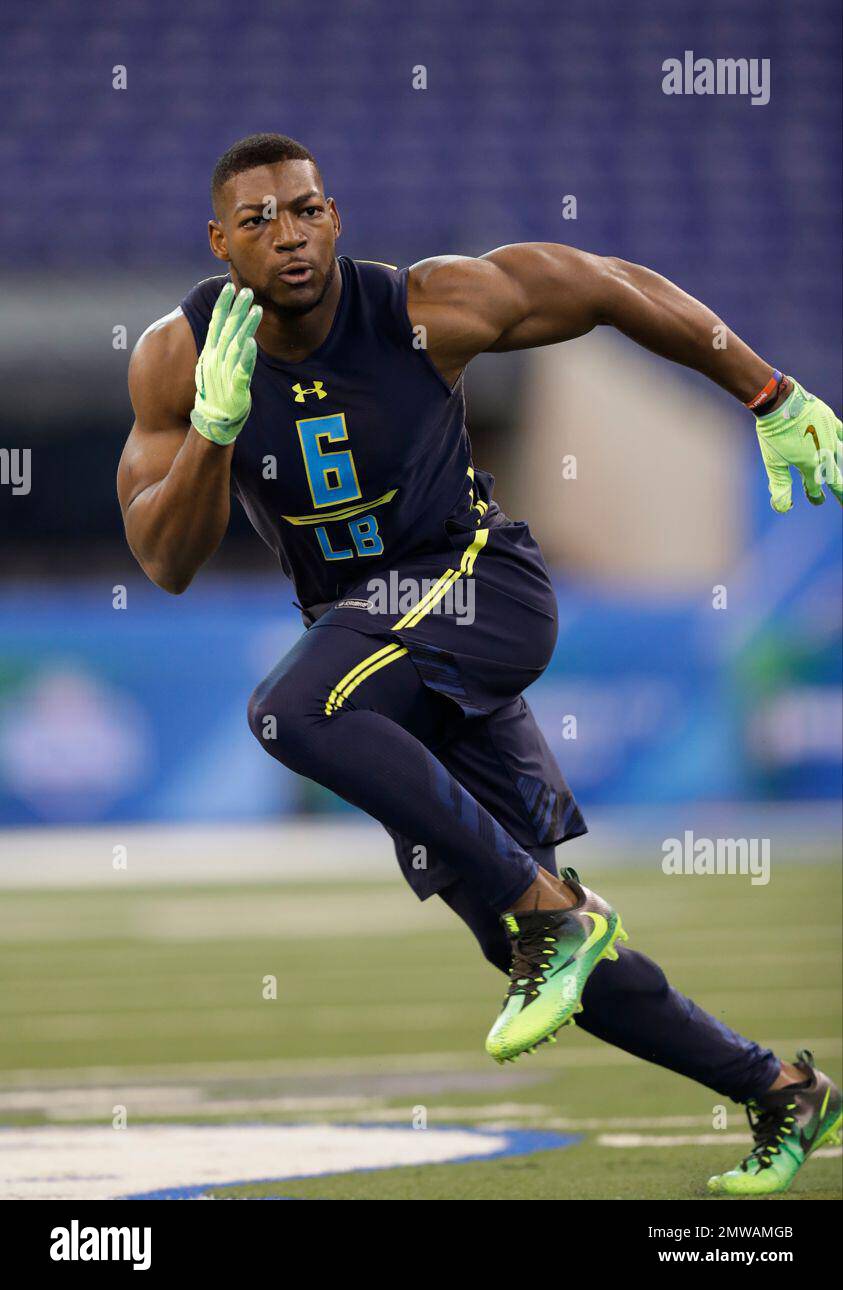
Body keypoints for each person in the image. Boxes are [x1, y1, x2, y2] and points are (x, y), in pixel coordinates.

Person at [117, 133, 842, 1196]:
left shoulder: (422, 307)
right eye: (261, 221)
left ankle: (558, 915)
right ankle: (777, 1087)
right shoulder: (175, 360)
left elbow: (602, 285)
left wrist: (767, 391)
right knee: (520, 939)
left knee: (288, 712)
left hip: (475, 585)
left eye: (307, 209)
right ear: (219, 241)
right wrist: (214, 434)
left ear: (336, 216)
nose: (290, 235)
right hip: (379, 654)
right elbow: (165, 562)